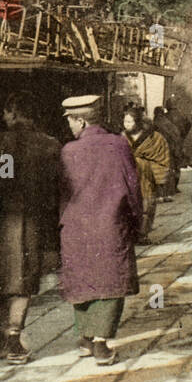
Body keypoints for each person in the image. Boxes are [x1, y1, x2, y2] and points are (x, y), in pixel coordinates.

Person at [58, 95, 142, 367]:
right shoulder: (119, 144)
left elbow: (60, 191)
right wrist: (136, 217)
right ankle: (101, 343)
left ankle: (85, 337)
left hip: (75, 226)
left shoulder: (68, 151)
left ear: (80, 120)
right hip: (110, 223)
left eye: (71, 120)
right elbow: (132, 185)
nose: (70, 126)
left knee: (81, 278)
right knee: (110, 279)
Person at [0, 94, 62, 366]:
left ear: (11, 112)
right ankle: (14, 335)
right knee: (24, 280)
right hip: (33, 221)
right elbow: (56, 189)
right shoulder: (50, 146)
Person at [122, 105, 172, 240]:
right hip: (128, 176)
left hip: (146, 176)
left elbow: (162, 156)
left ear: (138, 122)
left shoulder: (154, 137)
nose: (127, 125)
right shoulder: (121, 138)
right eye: (125, 122)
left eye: (130, 121)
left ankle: (143, 234)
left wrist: (159, 177)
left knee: (146, 205)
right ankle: (131, 233)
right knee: (128, 205)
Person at [152, 106, 183, 201]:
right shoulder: (168, 122)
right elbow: (177, 134)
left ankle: (160, 194)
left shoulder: (155, 123)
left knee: (158, 171)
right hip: (170, 149)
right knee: (170, 170)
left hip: (158, 150)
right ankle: (170, 192)